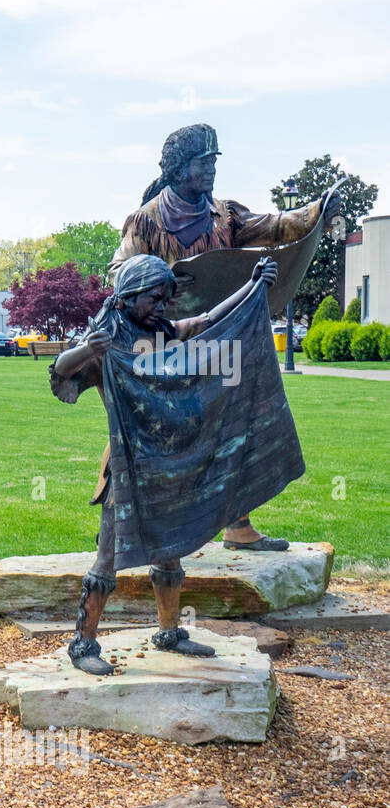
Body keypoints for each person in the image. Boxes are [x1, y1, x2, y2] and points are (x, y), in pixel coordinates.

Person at [51, 253, 300, 676]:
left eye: (167, 299)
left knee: (169, 555)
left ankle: (168, 632)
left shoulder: (163, 336)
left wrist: (254, 286)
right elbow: (59, 374)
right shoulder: (107, 342)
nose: (163, 307)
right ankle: (83, 643)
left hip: (175, 465)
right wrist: (83, 350)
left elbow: (205, 322)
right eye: (155, 299)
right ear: (129, 296)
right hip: (128, 471)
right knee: (107, 559)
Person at [110, 124, 340, 552]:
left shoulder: (225, 215)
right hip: (166, 344)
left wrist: (318, 210)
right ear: (179, 168)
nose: (211, 170)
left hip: (223, 338)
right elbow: (118, 273)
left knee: (238, 420)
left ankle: (237, 522)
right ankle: (132, 522)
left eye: (214, 161)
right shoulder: (145, 222)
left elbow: (276, 226)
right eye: (204, 162)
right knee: (159, 430)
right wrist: (162, 282)